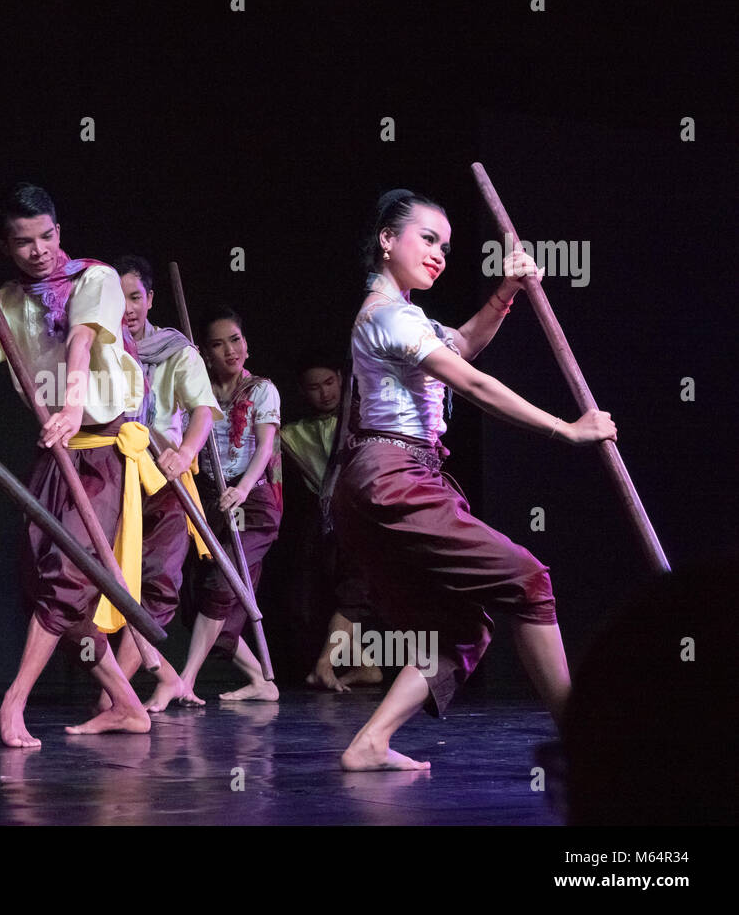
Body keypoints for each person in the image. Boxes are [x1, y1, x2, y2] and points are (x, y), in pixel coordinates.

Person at [331, 188, 616, 771]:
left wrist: (506, 292)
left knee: (458, 627)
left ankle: (370, 743)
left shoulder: (405, 316)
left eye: (445, 245)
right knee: (529, 581)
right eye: (426, 239)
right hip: (392, 477)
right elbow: (472, 382)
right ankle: (580, 734)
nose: (439, 254)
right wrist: (566, 429)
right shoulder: (387, 315)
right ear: (386, 240)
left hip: (394, 478)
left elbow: (460, 345)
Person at [0, 183, 152, 747]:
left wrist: (73, 402)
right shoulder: (5, 299)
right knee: (45, 584)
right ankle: (129, 707)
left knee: (68, 579)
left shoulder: (95, 279)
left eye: (47, 235)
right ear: (5, 247)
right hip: (55, 451)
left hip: (101, 447)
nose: (39, 250)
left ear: (59, 230)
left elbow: (81, 339)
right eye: (24, 242)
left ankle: (12, 704)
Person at [109, 254, 220, 711]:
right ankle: (161, 679)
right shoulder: (100, 350)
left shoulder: (176, 351)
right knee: (108, 583)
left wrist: (186, 452)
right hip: (114, 476)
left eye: (135, 297)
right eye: (117, 299)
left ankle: (113, 694)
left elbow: (203, 411)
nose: (128, 308)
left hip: (164, 480)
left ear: (150, 298)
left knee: (157, 583)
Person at [177, 308, 283, 703]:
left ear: (246, 344)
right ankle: (261, 681)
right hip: (210, 499)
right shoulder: (198, 391)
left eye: (235, 340)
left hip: (251, 503)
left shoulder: (261, 390)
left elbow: (265, 447)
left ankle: (186, 679)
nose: (230, 350)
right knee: (201, 602)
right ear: (205, 353)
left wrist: (242, 489)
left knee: (224, 585)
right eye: (218, 344)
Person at [278, 351, 381, 691]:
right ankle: (365, 665)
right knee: (319, 596)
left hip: (363, 516)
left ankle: (325, 665)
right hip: (325, 523)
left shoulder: (362, 419)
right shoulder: (294, 434)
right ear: (302, 391)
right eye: (314, 387)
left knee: (355, 592)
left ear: (341, 379)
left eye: (329, 382)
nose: (324, 393)